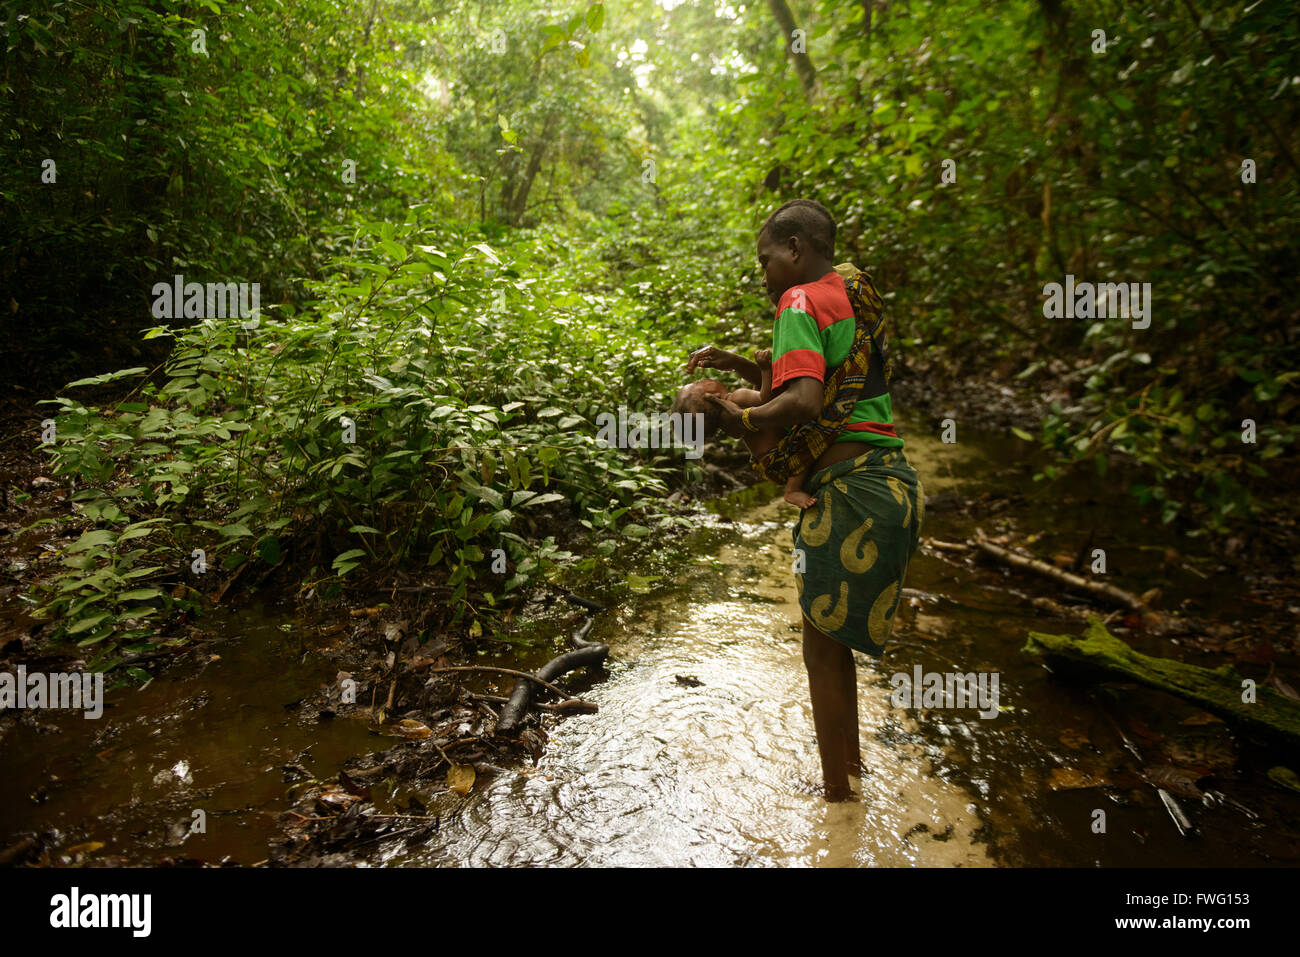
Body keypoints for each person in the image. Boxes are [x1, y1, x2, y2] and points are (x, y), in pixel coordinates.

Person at [686, 198, 924, 802]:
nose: (763, 274)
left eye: (765, 259)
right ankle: (852, 768)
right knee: (834, 642)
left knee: (819, 652)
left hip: (851, 492)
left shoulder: (796, 300)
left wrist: (739, 413)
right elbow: (809, 381)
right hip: (891, 483)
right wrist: (744, 383)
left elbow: (803, 401)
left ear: (794, 249)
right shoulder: (849, 292)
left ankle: (836, 802)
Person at [671, 353, 816, 508]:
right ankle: (792, 490)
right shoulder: (737, 398)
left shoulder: (726, 423)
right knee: (807, 440)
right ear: (711, 396)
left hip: (767, 463)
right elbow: (766, 401)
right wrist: (765, 370)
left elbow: (754, 417)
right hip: (782, 457)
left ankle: (792, 487)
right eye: (700, 382)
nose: (704, 379)